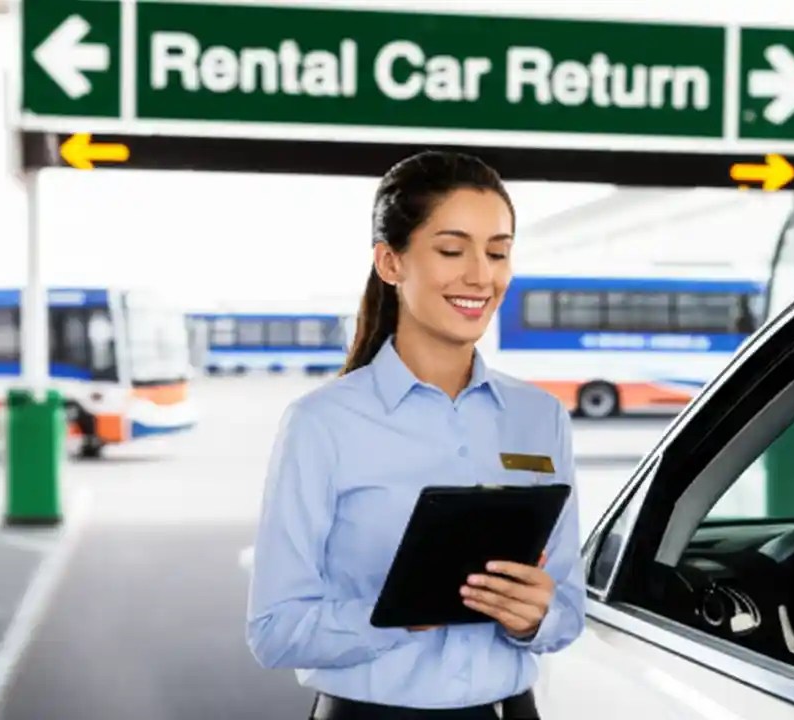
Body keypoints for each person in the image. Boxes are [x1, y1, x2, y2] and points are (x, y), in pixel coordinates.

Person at [245, 150, 585, 719]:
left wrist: (534, 618)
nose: (481, 275)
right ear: (390, 263)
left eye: (498, 252)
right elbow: (273, 630)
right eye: (452, 250)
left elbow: (568, 607)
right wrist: (397, 610)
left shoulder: (541, 417)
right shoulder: (322, 424)